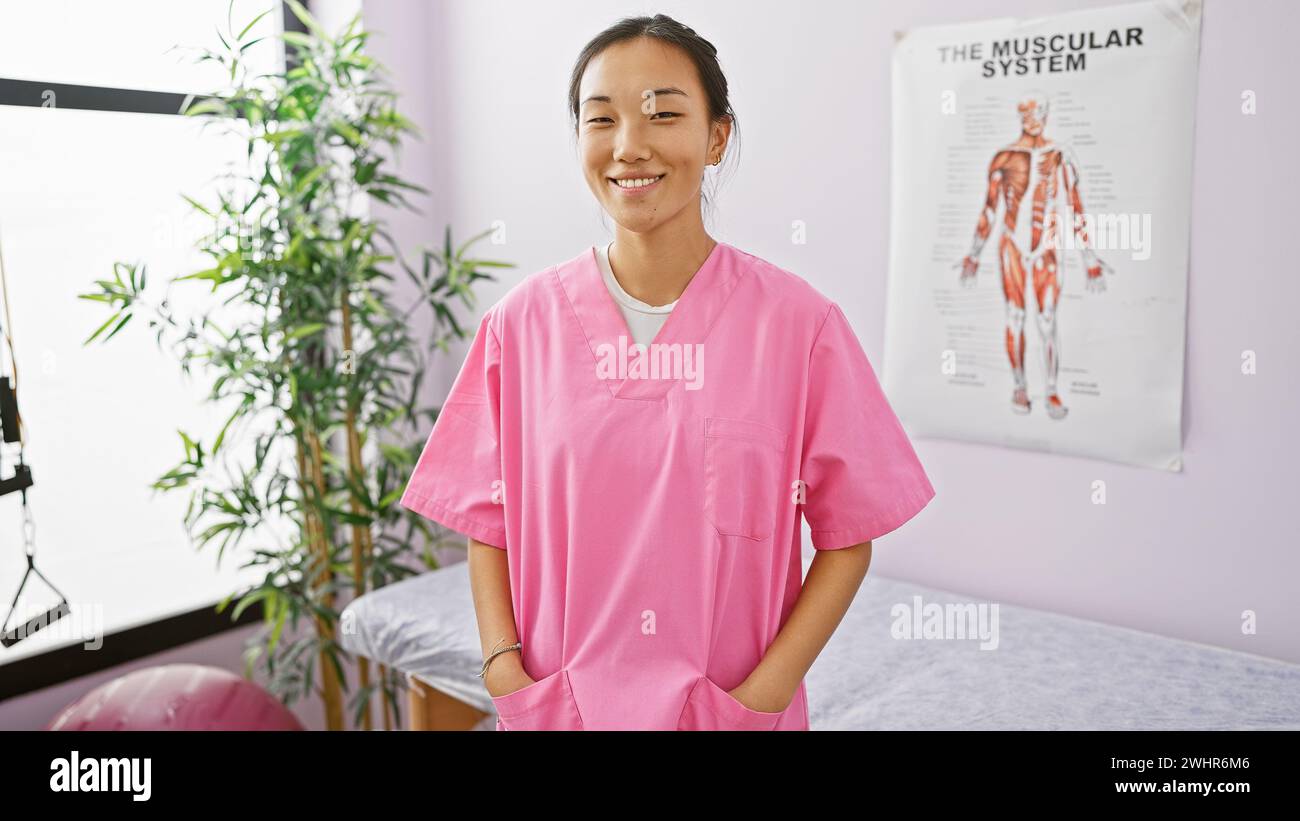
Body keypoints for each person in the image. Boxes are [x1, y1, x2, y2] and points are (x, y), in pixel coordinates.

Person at [400, 14, 936, 731]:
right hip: (564, 713)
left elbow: (848, 536)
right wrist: (502, 664)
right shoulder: (520, 326)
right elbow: (486, 520)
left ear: (716, 137)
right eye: (601, 119)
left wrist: (765, 693)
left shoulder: (798, 328)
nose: (629, 145)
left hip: (726, 712)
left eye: (663, 113)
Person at [958, 92, 1112, 420]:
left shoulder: (1060, 155)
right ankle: (1019, 386)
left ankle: (1052, 390)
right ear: (1019, 114)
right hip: (1012, 244)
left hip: (1046, 246)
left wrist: (1089, 258)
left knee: (1046, 320)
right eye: (1027, 111)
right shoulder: (1003, 157)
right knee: (1015, 316)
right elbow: (989, 209)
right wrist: (974, 253)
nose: (1034, 116)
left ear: (1047, 112)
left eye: (1039, 110)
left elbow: (1075, 206)